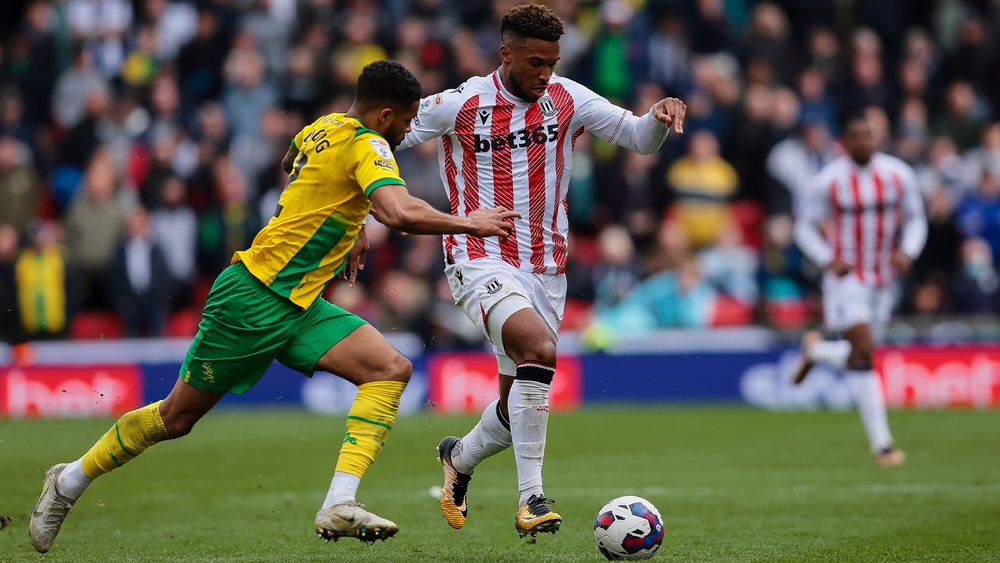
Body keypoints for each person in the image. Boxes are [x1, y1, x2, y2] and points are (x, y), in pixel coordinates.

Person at [28, 60, 519, 554]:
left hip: (298, 303)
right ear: (386, 114)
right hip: (252, 297)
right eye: (409, 119)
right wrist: (469, 223)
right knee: (176, 419)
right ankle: (68, 482)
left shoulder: (323, 126)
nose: (412, 129)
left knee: (389, 369)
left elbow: (292, 162)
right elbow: (399, 211)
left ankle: (339, 502)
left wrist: (350, 218)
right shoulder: (370, 144)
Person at [396, 3, 686, 539]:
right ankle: (531, 497)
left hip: (547, 270)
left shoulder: (567, 98)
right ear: (505, 54)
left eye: (553, 61)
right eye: (535, 63)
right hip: (477, 256)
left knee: (515, 407)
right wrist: (323, 157)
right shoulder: (461, 103)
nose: (545, 73)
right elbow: (383, 131)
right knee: (540, 351)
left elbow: (639, 138)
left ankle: (458, 457)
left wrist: (660, 116)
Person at [792, 114, 927, 467]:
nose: (863, 141)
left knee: (859, 355)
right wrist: (826, 258)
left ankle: (818, 352)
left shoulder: (898, 174)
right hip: (846, 279)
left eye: (867, 134)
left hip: (885, 279)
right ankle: (883, 446)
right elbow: (803, 228)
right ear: (845, 142)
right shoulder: (828, 181)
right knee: (864, 350)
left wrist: (908, 251)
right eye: (856, 136)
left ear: (874, 138)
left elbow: (917, 219)